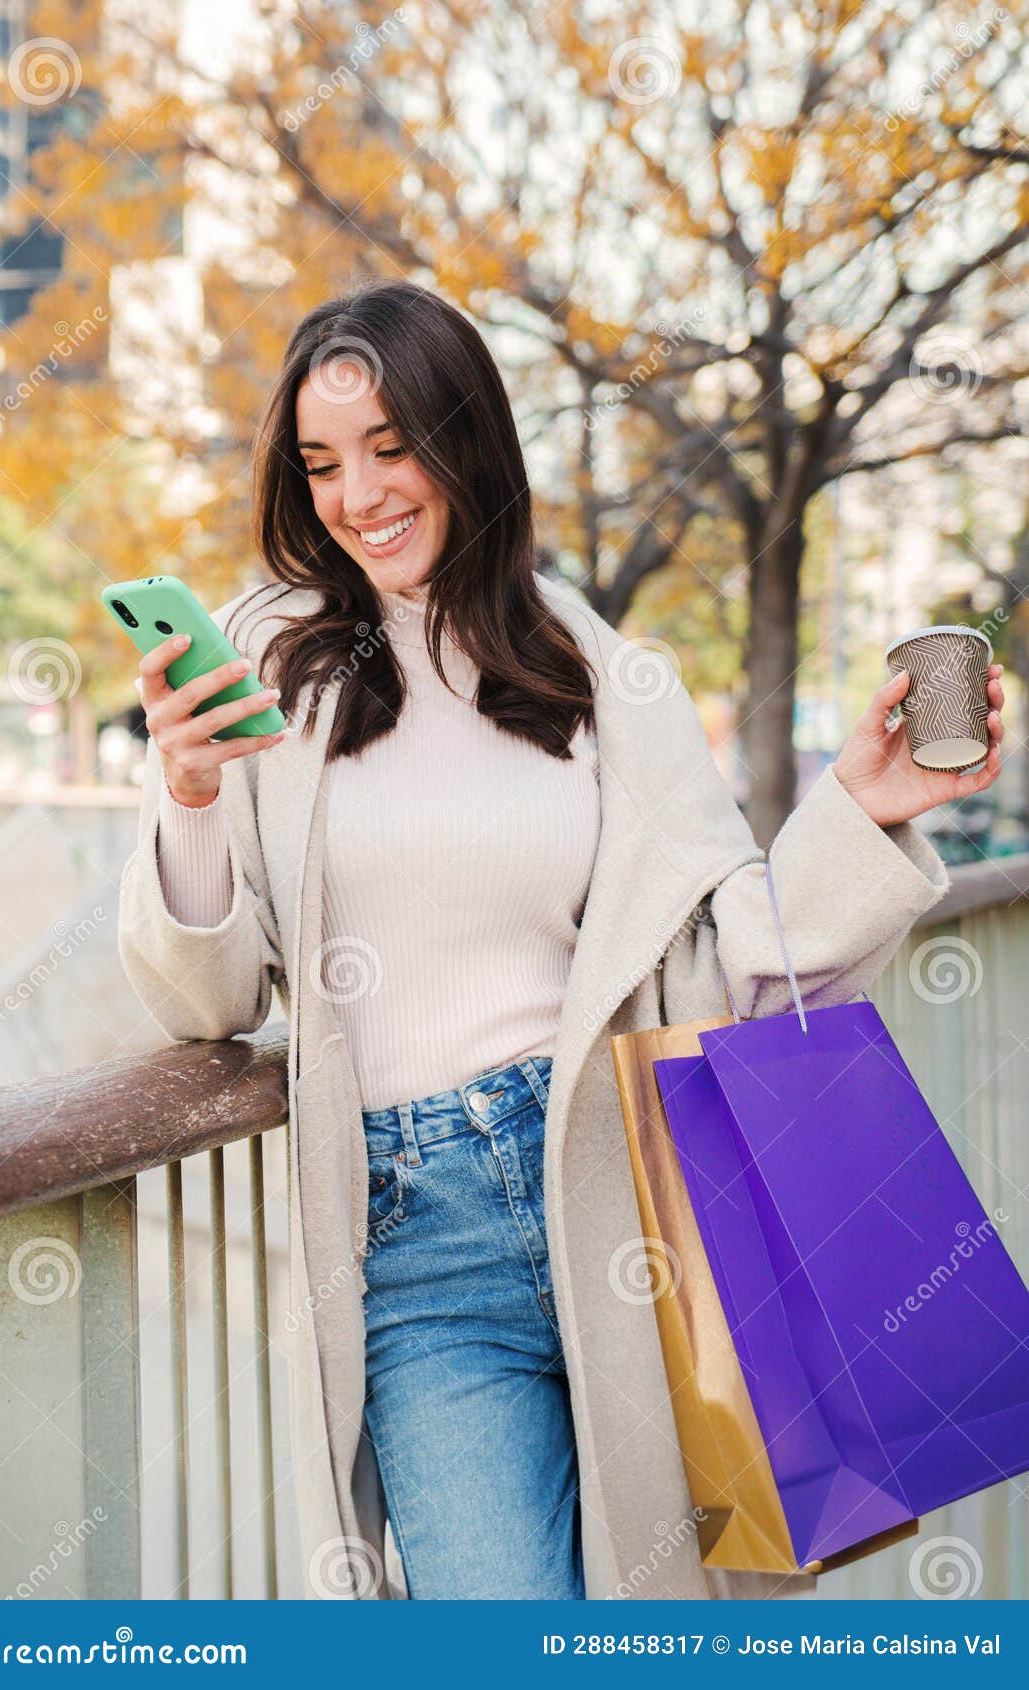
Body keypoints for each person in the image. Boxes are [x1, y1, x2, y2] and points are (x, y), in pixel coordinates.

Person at [118, 279, 1005, 1601]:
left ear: (463, 438)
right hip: (421, 1251)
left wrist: (863, 807)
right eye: (320, 464)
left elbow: (720, 960)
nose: (355, 495)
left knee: (663, 1626)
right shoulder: (262, 665)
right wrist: (185, 791)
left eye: (388, 447)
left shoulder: (589, 662)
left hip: (623, 1193)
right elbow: (202, 998)